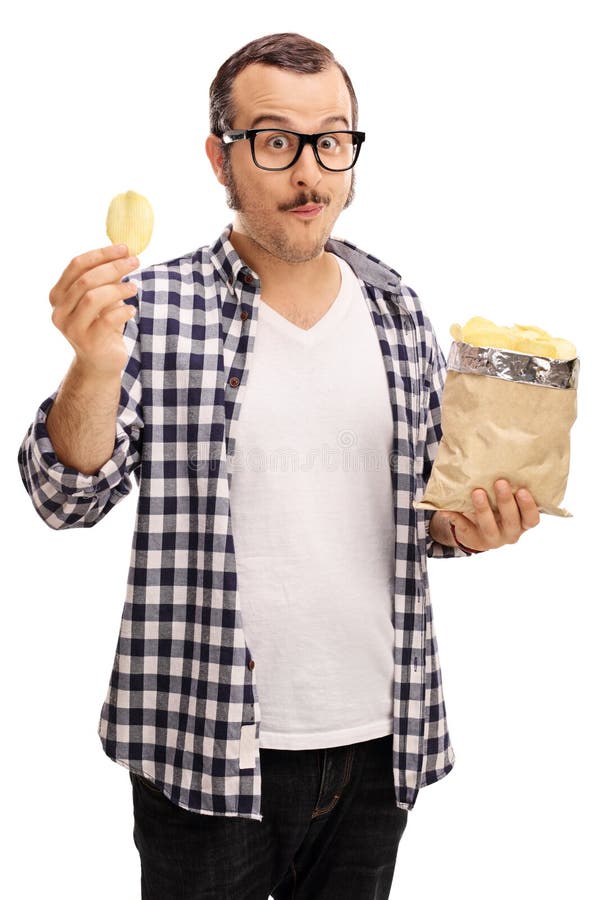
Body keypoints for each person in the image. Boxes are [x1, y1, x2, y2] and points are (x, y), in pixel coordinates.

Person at [17, 32, 540, 900]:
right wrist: (93, 366)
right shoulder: (152, 306)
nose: (310, 173)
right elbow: (63, 496)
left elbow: (421, 514)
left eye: (332, 140)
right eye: (275, 140)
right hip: (201, 742)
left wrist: (472, 526)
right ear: (220, 158)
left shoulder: (397, 308)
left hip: (379, 742)